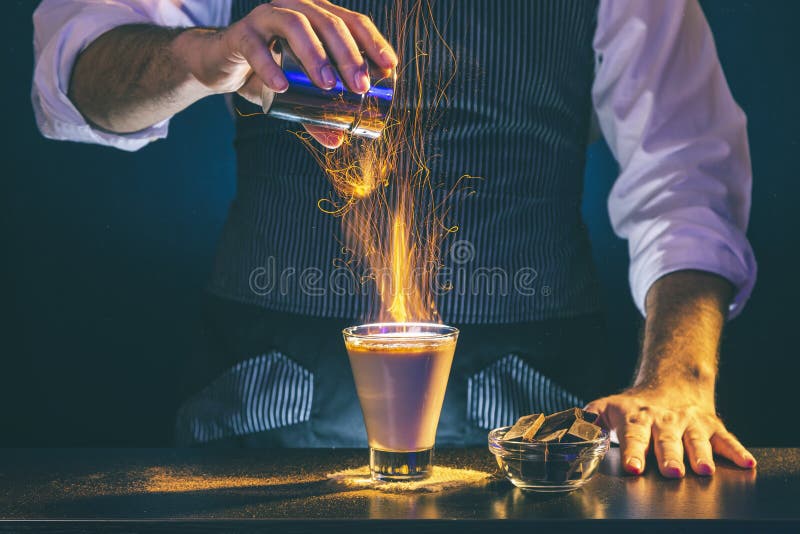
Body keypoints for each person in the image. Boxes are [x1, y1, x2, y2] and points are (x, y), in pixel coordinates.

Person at [32, 0, 757, 479]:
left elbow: (686, 173)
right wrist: (199, 54)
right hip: (257, 417)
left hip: (535, 431)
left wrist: (678, 380)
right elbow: (77, 80)